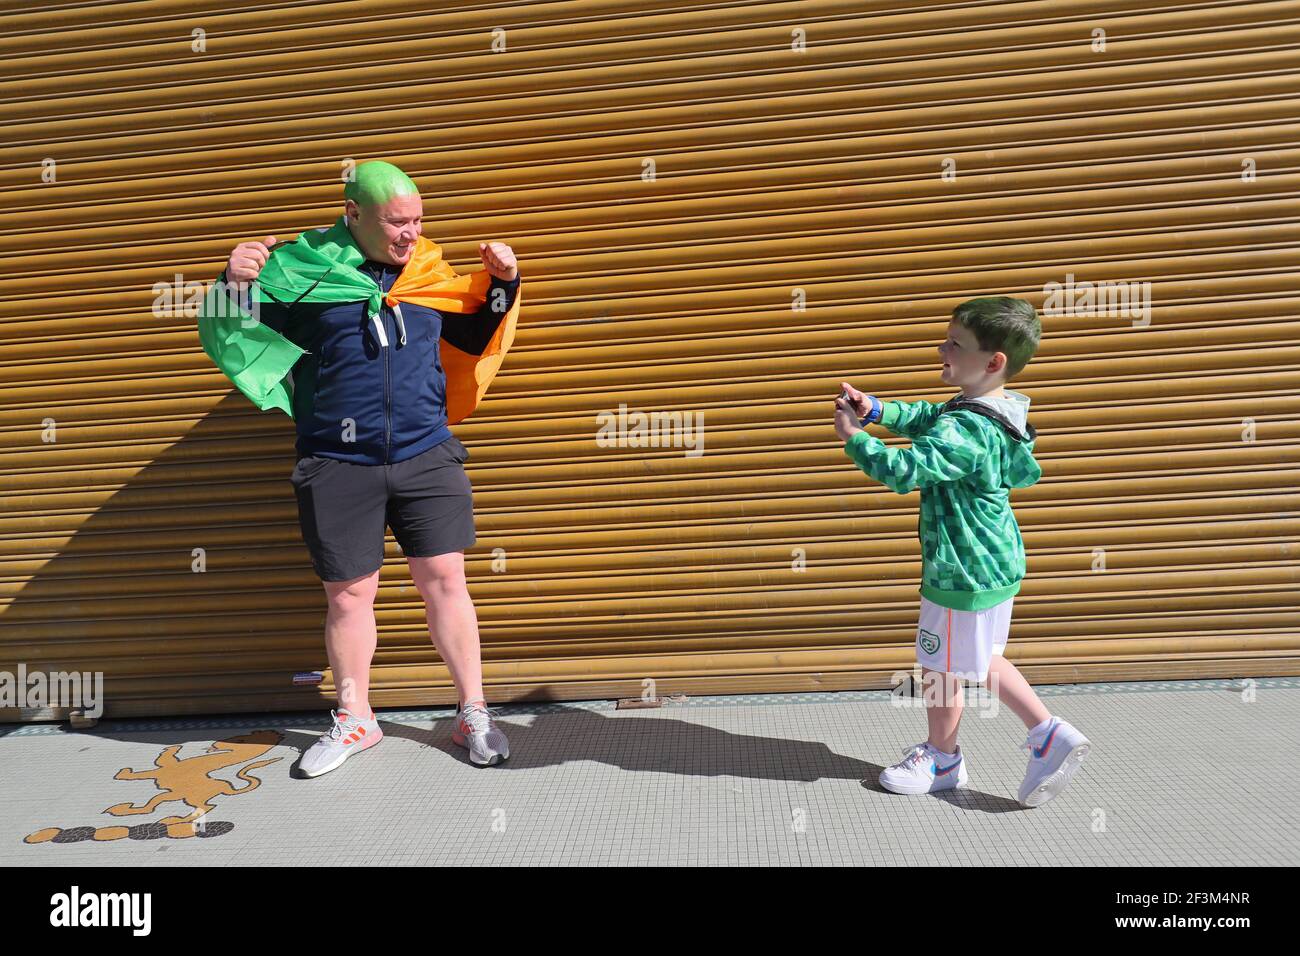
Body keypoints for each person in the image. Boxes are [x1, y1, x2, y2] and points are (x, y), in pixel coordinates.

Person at [206, 160, 519, 774]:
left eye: (418, 220)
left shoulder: (429, 272)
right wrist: (233, 283)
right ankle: (356, 719)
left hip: (426, 453)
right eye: (396, 223)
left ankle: (472, 712)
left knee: (446, 582)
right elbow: (240, 330)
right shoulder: (299, 272)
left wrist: (503, 282)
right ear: (352, 215)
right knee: (349, 597)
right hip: (337, 459)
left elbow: (478, 328)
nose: (411, 234)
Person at [833, 296, 1091, 808]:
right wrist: (880, 411)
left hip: (961, 567)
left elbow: (906, 471)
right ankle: (1020, 739)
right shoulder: (994, 409)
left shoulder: (965, 426)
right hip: (994, 563)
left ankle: (979, 748)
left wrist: (856, 438)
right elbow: (931, 416)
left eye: (955, 343)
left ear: (993, 361)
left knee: (939, 667)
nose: (941, 348)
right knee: (976, 659)